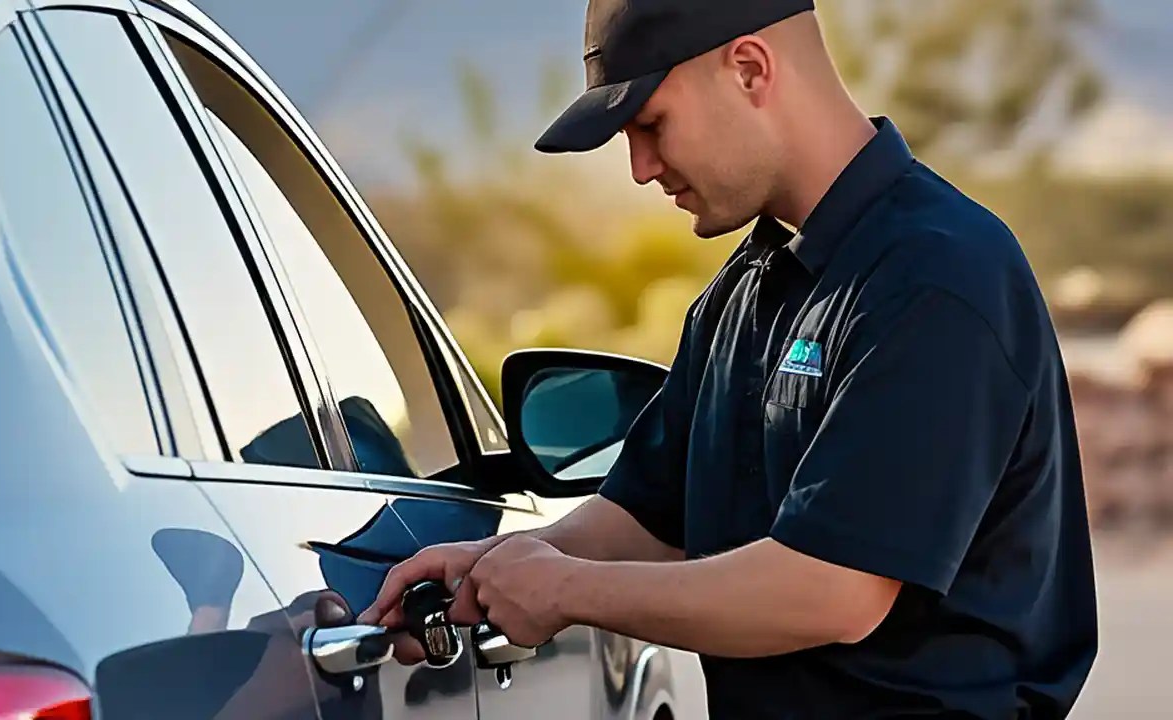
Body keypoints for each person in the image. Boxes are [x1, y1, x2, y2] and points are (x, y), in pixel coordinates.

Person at [359, 0, 1099, 716]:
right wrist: (498, 565)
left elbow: (830, 593)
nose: (641, 169)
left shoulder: (936, 278)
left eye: (650, 124)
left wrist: (564, 592)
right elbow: (647, 518)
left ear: (748, 69)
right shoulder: (741, 293)